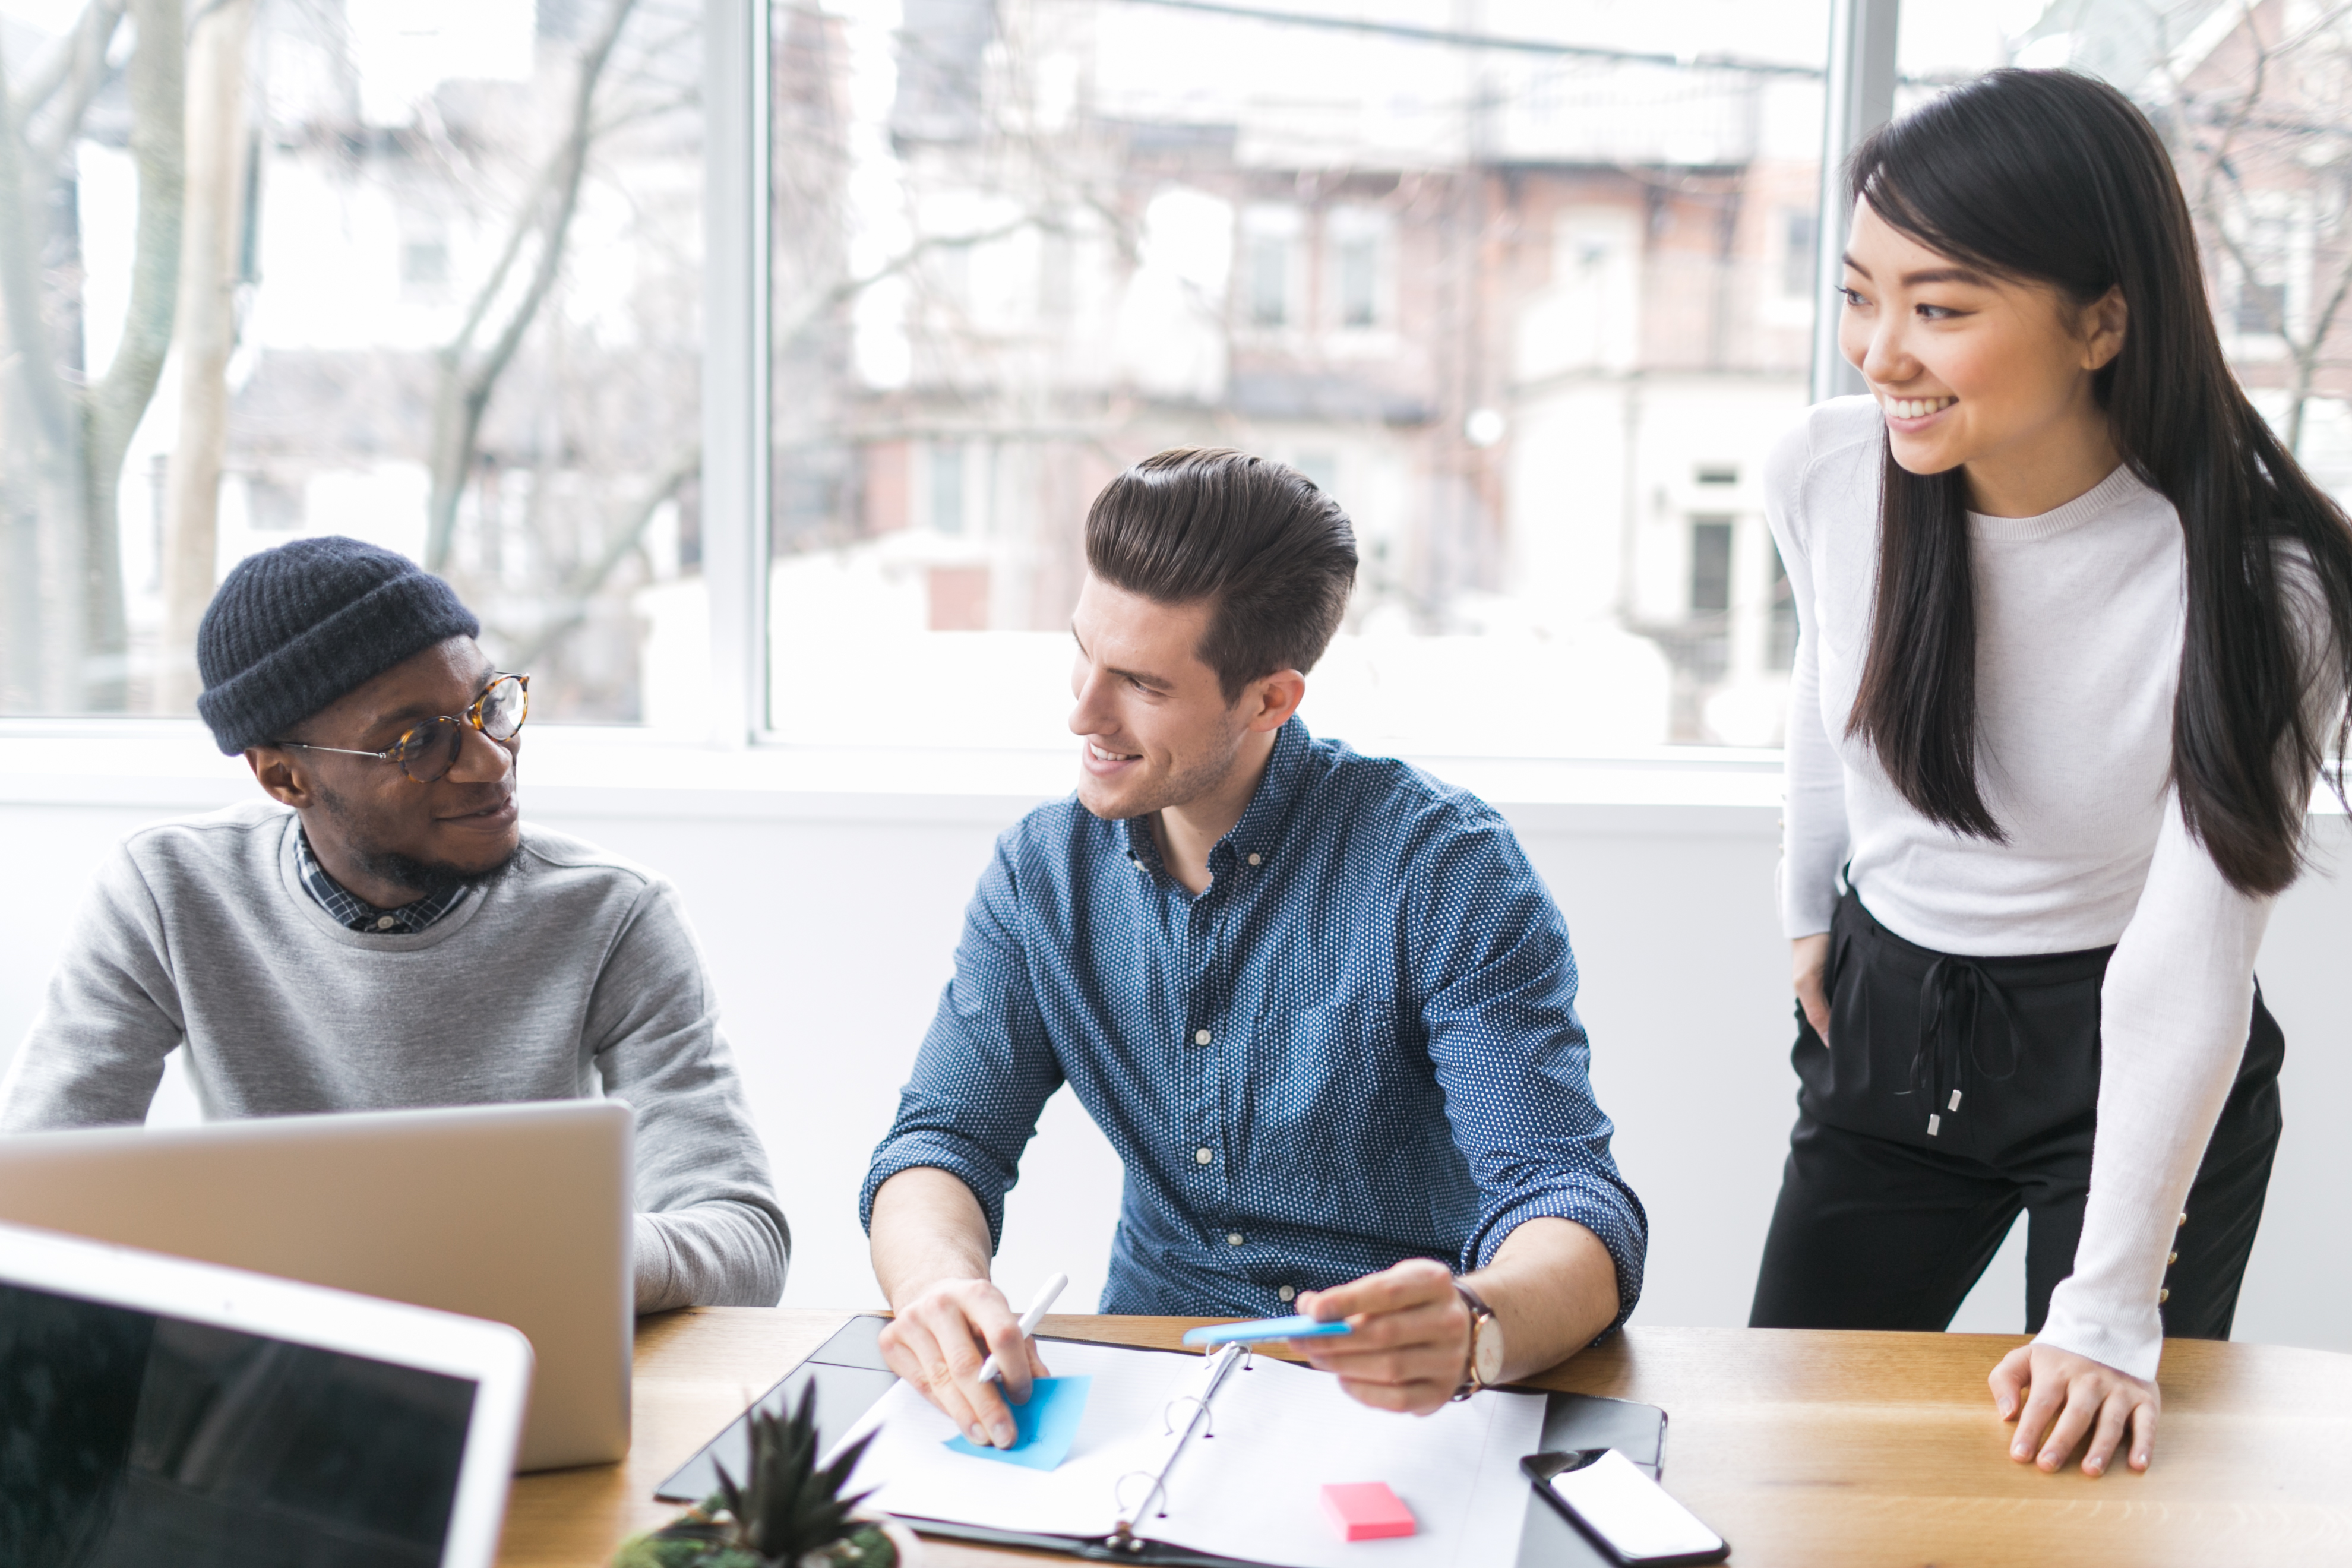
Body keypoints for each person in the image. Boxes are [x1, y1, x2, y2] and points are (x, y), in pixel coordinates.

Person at [1752, 69, 2352, 1481]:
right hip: (1895, 1020)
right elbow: (1826, 688)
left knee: (2085, 1491)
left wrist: (2110, 1306)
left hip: (2130, 1053)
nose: (1880, 354)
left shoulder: (2269, 591)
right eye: (1859, 295)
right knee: (1804, 1466)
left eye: (1940, 308)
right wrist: (1805, 910)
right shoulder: (1828, 473)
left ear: (2102, 320)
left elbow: (2195, 949)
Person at [863, 447, 1645, 1449]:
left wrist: (1476, 1327)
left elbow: (1566, 1198)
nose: (1083, 714)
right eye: (1083, 655)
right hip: (1149, 1385)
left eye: (1141, 683)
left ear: (1273, 699)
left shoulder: (1444, 872)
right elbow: (941, 1144)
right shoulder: (1042, 875)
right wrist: (938, 1287)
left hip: (1401, 1405)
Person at [0, 536, 789, 1314]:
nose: (489, 761)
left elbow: (744, 1241)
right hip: (269, 1375)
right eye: (418, 741)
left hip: (523, 1349)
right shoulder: (167, 893)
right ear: (285, 776)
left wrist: (561, 1257)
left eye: (491, 706)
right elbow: (33, 1202)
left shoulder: (615, 915)